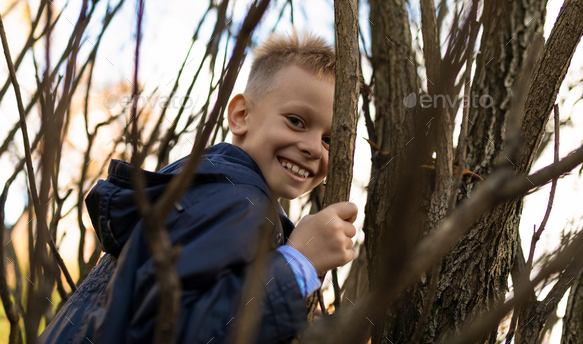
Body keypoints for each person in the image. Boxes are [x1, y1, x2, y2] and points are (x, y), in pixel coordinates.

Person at [38, 32, 358, 344]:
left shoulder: (215, 187)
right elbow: (166, 329)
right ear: (241, 115)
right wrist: (296, 266)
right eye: (296, 121)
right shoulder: (235, 198)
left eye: (329, 139)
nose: (314, 148)